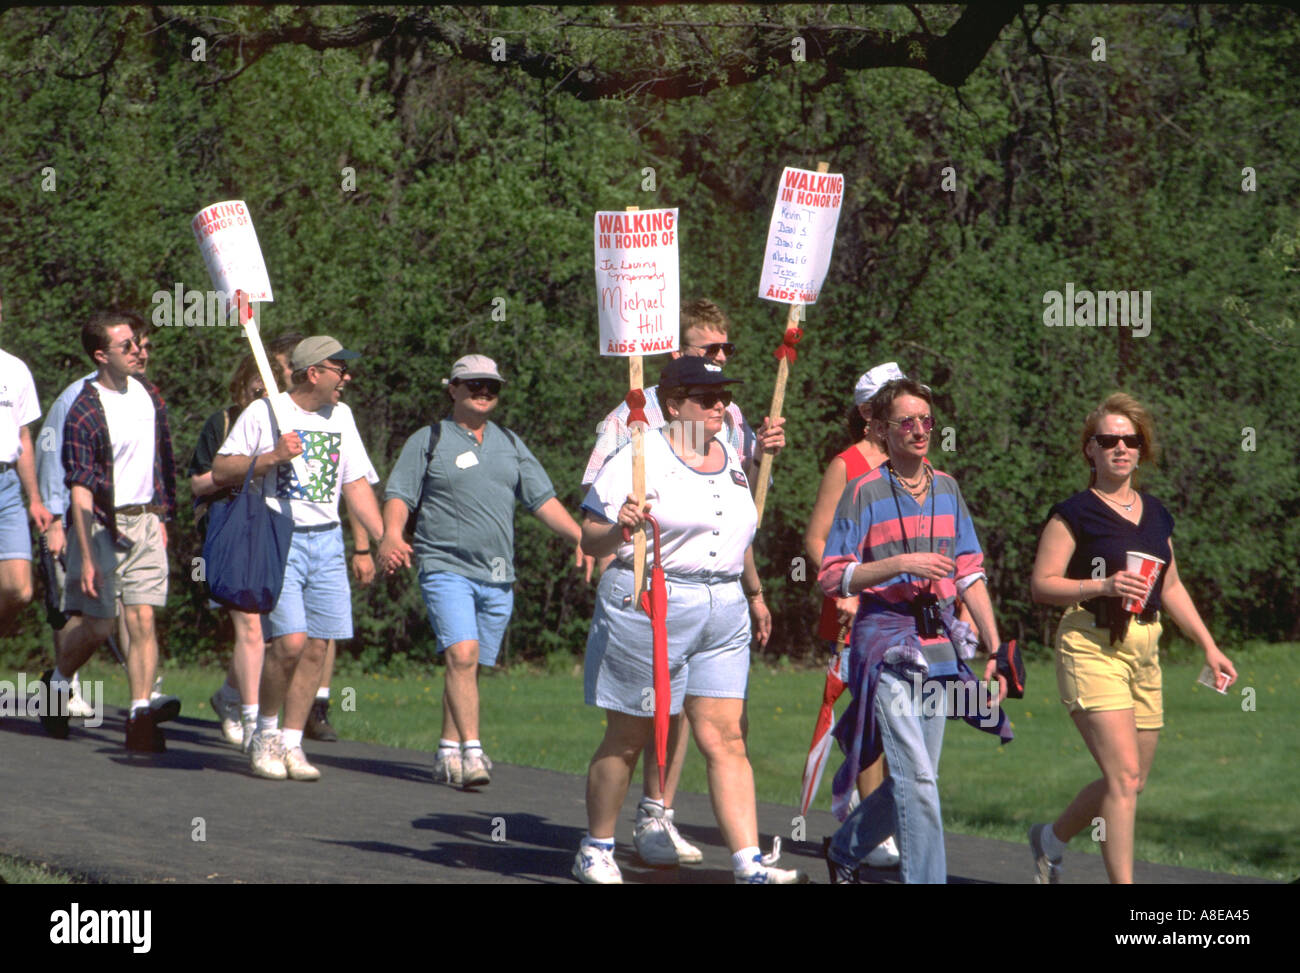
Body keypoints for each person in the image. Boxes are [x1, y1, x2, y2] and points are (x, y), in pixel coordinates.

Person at [573, 356, 803, 884]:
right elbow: (591, 535)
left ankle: (748, 863)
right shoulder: (639, 454)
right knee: (630, 735)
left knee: (725, 737)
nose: (720, 405)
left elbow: (735, 536)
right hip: (650, 600)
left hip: (723, 609)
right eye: (707, 398)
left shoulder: (734, 457)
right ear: (674, 405)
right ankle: (596, 847)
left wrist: (755, 593)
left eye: (723, 396)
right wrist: (619, 528)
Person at [1028, 393, 1235, 884]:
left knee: (1131, 781)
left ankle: (1049, 840)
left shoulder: (1157, 514)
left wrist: (1209, 645)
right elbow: (1042, 584)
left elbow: (1172, 585)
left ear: (1142, 449)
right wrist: (1102, 584)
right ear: (1090, 451)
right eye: (1109, 440)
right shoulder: (1074, 513)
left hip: (1145, 648)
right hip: (1091, 644)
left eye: (1131, 440)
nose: (1120, 448)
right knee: (1122, 778)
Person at [818, 377, 1012, 884]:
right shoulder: (863, 491)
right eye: (907, 421)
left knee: (918, 774)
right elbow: (832, 572)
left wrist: (996, 645)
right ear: (882, 429)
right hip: (885, 641)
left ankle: (844, 847)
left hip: (938, 643)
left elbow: (969, 569)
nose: (920, 429)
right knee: (919, 779)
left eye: (926, 420)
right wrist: (897, 563)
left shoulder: (947, 488)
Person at [378, 354, 583, 788]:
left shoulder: (510, 443)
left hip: (497, 576)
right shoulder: (429, 439)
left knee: (467, 666)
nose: (484, 392)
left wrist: (582, 538)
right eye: (474, 385)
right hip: (444, 566)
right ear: (452, 389)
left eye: (492, 386)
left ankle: (447, 751)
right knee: (462, 655)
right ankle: (473, 753)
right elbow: (399, 493)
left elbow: (542, 501)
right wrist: (392, 535)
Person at [212, 336, 383, 780]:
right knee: (288, 642)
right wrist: (271, 457)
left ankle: (292, 742)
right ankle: (264, 734)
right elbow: (221, 469)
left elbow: (356, 484)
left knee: (318, 645)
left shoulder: (341, 417)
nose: (346, 376)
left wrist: (385, 537)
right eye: (338, 368)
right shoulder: (265, 412)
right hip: (277, 534)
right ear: (313, 373)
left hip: (326, 539)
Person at [41, 311, 179, 752]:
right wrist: (82, 553)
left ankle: (139, 715)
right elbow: (79, 489)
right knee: (100, 626)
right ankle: (58, 682)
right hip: (100, 525)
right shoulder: (82, 407)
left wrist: (161, 515)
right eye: (128, 346)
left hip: (144, 521)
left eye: (141, 344)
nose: (140, 352)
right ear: (102, 355)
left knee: (141, 616)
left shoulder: (149, 395)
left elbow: (162, 461)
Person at [802, 361, 904, 870]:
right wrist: (844, 585)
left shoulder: (912, 461)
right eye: (891, 400)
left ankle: (882, 818)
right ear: (868, 412)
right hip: (860, 608)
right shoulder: (847, 464)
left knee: (901, 717)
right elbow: (817, 538)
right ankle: (869, 822)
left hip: (909, 610)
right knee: (872, 718)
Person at [0, 319, 55, 632]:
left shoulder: (15, 369)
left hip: (7, 485)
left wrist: (34, 498)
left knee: (20, 590)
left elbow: (23, 437)